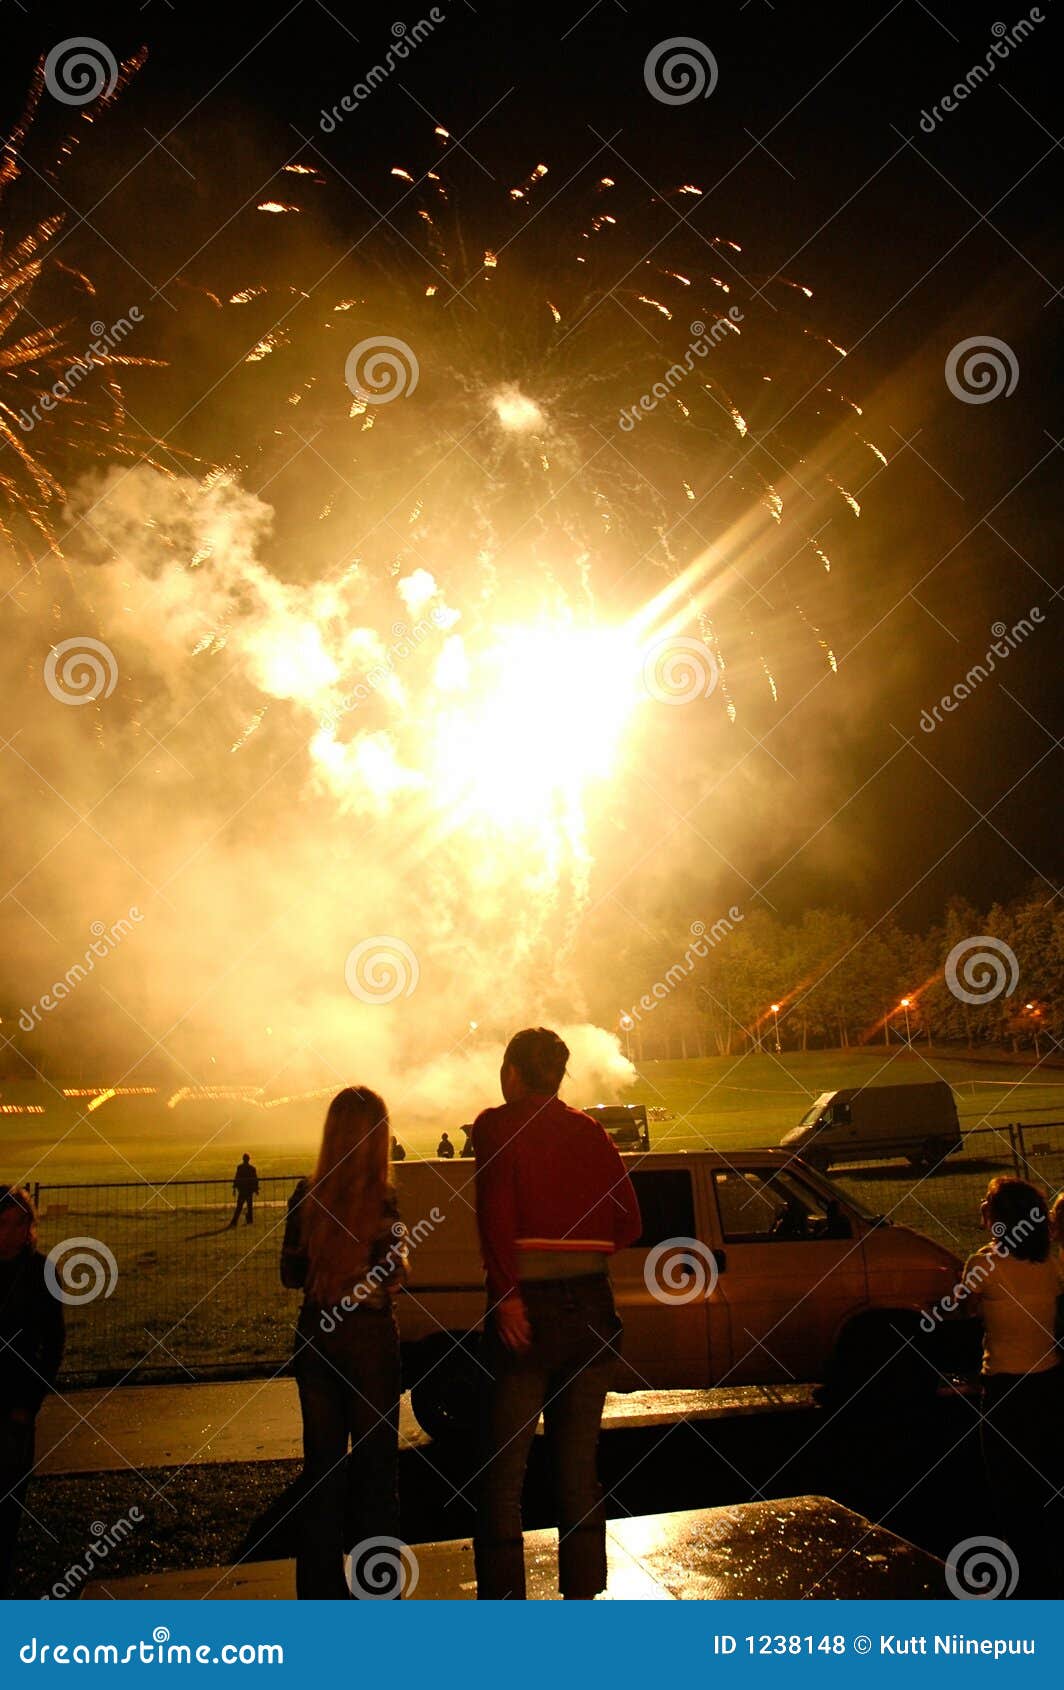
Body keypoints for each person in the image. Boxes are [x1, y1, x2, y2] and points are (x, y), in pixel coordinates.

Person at [472, 1027, 642, 1600]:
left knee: (503, 1477)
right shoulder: (591, 1132)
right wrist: (580, 1247)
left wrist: (508, 1294)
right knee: (577, 1471)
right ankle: (584, 1596)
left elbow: (494, 1214)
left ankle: (503, 1603)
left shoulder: (497, 1125)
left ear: (513, 1073)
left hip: (530, 1310)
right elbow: (629, 1223)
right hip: (593, 1309)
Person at [280, 1088, 407, 1599]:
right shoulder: (384, 1199)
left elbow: (289, 1274)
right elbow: (393, 1273)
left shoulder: (304, 1195)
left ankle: (318, 1596)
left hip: (316, 1335)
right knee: (377, 1472)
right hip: (370, 1335)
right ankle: (379, 1593)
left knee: (321, 1472)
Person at [960, 1176, 1064, 1597]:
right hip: (1050, 1384)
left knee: (1010, 1495)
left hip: (1006, 1391)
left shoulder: (984, 1265)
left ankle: (1023, 1590)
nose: (981, 1205)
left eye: (987, 1202)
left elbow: (961, 1309)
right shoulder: (1053, 1263)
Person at [0, 1185, 65, 1597]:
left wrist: (29, 1402)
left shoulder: (42, 1273)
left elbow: (52, 1343)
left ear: (28, 1227)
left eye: (10, 1223)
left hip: (13, 1404)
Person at [227, 1153, 259, 1227]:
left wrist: (234, 1188)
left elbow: (237, 1178)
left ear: (243, 1159)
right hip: (249, 1191)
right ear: (249, 1159)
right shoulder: (252, 1168)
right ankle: (249, 1220)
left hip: (242, 1190)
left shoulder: (240, 1168)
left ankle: (234, 1221)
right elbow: (255, 1179)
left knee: (239, 1206)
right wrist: (256, 1189)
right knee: (249, 1206)